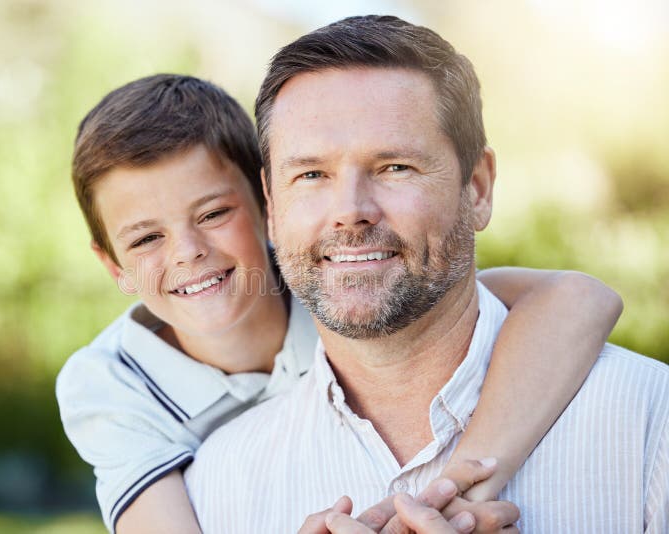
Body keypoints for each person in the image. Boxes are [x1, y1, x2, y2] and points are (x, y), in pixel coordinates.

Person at [57, 74, 623, 534]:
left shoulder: (340, 287)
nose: (188, 252)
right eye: (145, 239)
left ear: (270, 207)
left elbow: (583, 298)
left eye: (213, 214)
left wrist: (456, 496)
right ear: (113, 266)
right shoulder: (108, 385)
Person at [183, 15, 669, 533]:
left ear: (477, 188)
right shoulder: (218, 482)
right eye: (311, 174)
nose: (350, 211)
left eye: (395, 167)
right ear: (272, 206)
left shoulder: (651, 424)